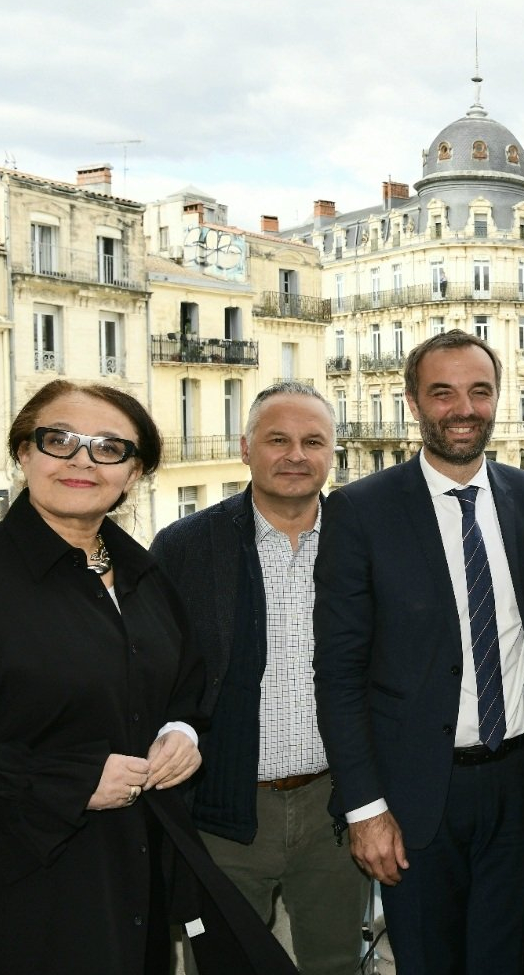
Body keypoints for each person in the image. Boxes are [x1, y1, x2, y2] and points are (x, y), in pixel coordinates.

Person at [0, 379, 296, 973]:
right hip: (2, 907)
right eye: (59, 440)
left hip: (129, 890)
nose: (82, 459)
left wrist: (181, 730)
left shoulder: (145, 576)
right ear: (24, 453)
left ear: (133, 473)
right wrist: (66, 782)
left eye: (109, 447)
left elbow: (181, 688)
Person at [314, 330, 524, 973]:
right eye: (444, 393)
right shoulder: (360, 510)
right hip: (415, 791)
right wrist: (366, 809)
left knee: (503, 957)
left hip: (520, 778)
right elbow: (339, 673)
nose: (464, 408)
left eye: (480, 391)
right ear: (412, 402)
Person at [151, 381, 368, 974]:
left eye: (312, 441)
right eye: (278, 439)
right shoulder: (186, 547)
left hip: (336, 810)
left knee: (338, 964)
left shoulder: (365, 539)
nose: (295, 454)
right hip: (225, 814)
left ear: (332, 453)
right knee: (224, 965)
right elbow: (155, 673)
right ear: (246, 449)